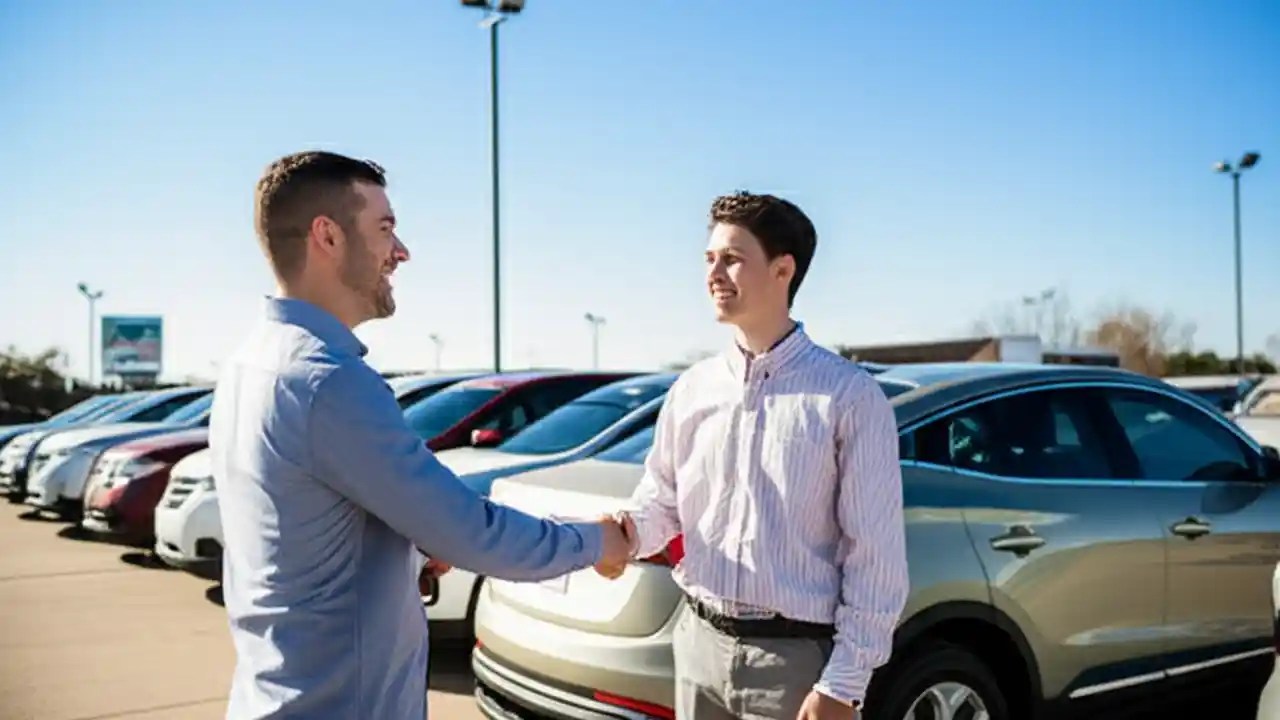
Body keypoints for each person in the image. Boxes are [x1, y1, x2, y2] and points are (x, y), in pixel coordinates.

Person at [209, 150, 632, 719]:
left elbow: (297, 531)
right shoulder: (328, 382)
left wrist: (403, 557)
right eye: (385, 229)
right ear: (327, 236)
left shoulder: (250, 363)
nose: (401, 252)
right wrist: (597, 541)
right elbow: (472, 535)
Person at [607, 191, 909, 720]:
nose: (714, 273)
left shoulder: (849, 396)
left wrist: (844, 683)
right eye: (708, 259)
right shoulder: (692, 389)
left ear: (782, 269)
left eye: (732, 258)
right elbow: (662, 501)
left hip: (793, 664)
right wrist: (625, 532)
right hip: (696, 644)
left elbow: (875, 559)